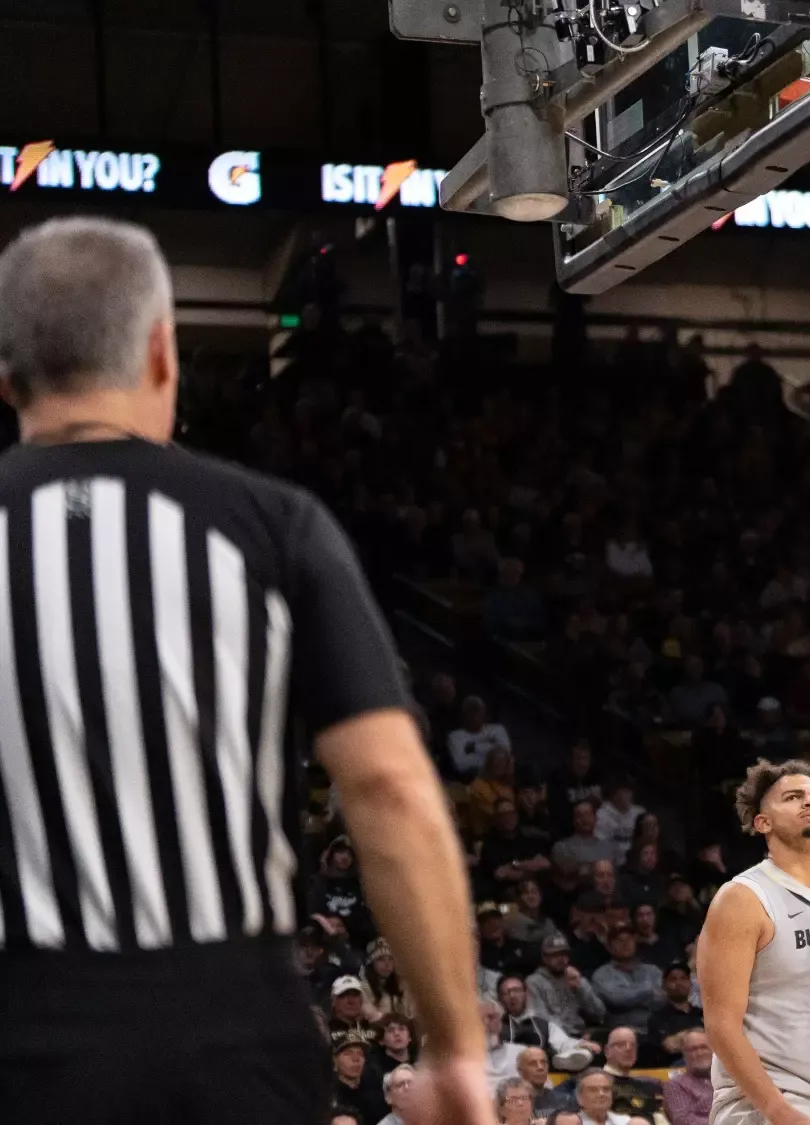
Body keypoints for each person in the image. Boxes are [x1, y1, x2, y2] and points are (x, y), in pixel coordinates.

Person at [0, 212, 486, 1121]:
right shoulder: (269, 525)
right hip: (228, 1033)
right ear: (160, 354)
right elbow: (385, 785)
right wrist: (456, 1047)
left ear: (7, 376)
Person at [698, 760, 810, 1125]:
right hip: (763, 1107)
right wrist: (780, 1112)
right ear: (762, 822)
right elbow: (721, 1027)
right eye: (793, 797)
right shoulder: (743, 898)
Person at [666, 1029, 717, 1125]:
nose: (699, 1053)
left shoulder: (729, 1080)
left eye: (704, 1047)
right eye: (693, 1049)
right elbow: (683, 1121)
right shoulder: (676, 1085)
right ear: (684, 1055)